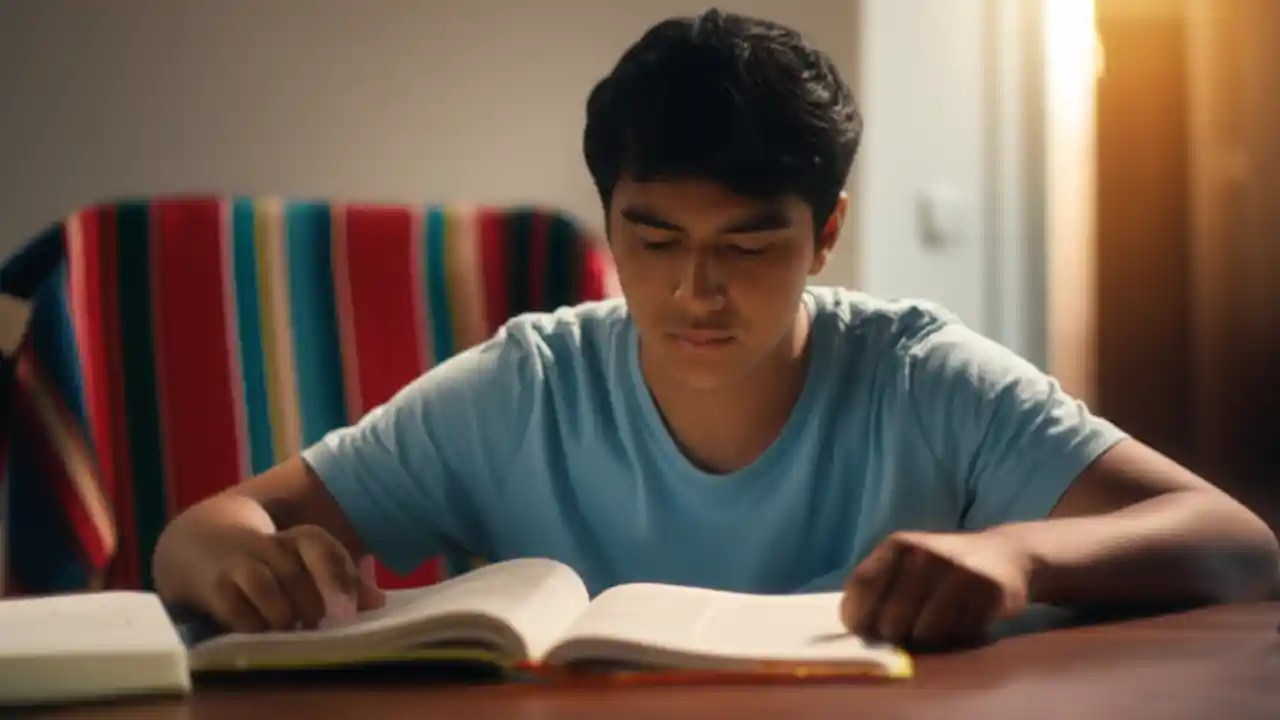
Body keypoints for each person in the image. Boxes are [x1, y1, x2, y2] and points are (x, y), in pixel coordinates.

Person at [153, 9, 1278, 649]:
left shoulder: (916, 375)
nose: (695, 289)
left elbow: (1234, 542)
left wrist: (1014, 551)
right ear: (607, 220)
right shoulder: (525, 387)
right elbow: (203, 532)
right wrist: (252, 566)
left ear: (824, 232)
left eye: (746, 246)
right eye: (651, 239)